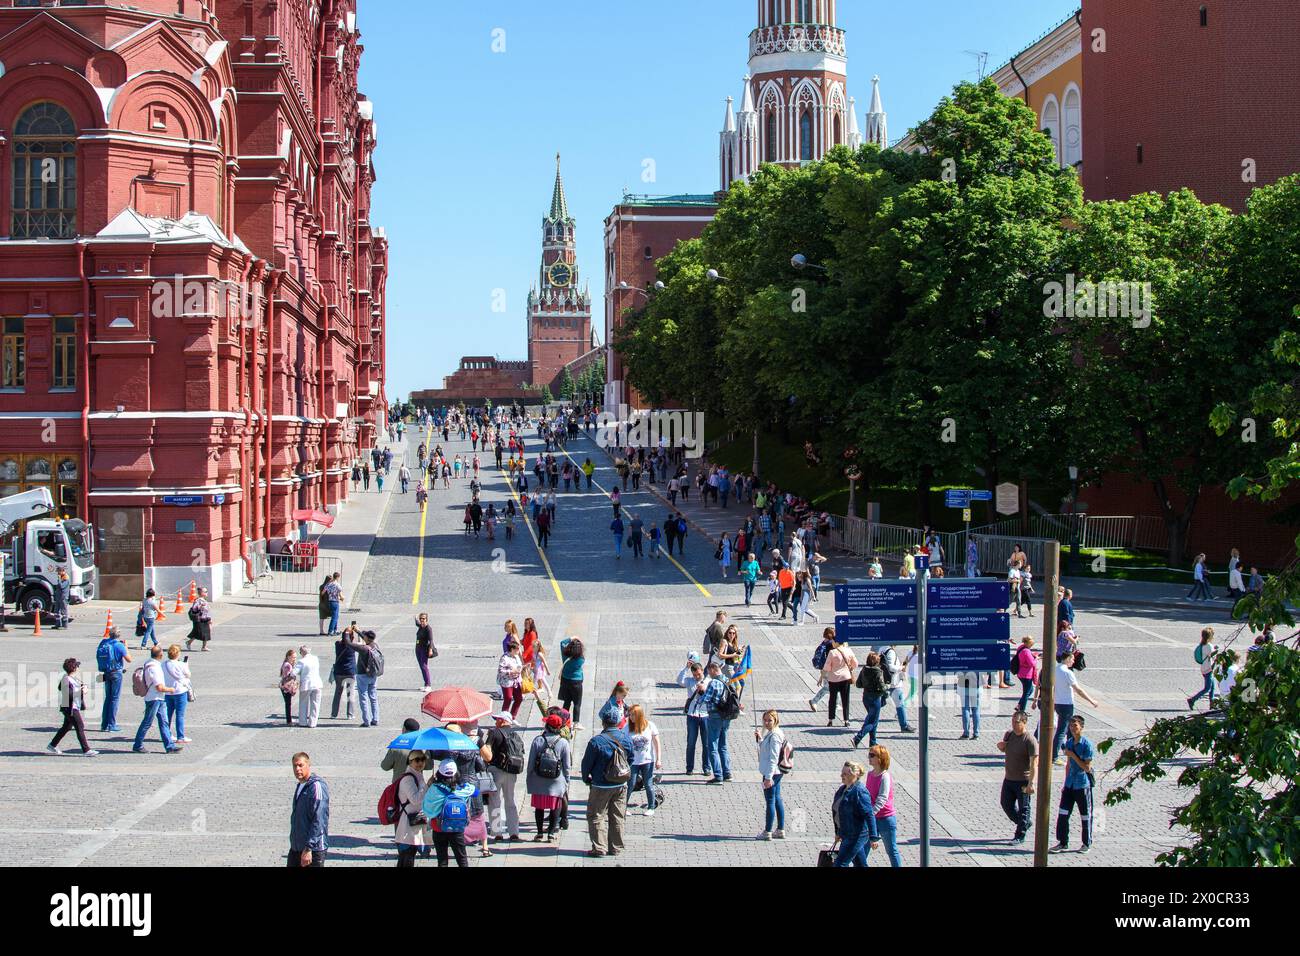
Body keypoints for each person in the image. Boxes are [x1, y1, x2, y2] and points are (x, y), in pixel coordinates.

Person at [581, 712, 633, 857]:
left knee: (596, 815)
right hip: (621, 784)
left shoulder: (596, 741)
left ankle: (599, 848)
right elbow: (631, 758)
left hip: (601, 785)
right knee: (617, 816)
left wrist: (586, 778)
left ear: (603, 723)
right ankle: (615, 847)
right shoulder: (626, 738)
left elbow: (586, 764)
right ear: (618, 723)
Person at [1051, 714, 1095, 854]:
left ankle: (1086, 843)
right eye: (1071, 726)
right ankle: (1063, 842)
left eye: (1075, 726)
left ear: (1081, 727)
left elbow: (1087, 767)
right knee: (1063, 813)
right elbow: (1068, 765)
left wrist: (1073, 755)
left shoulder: (1086, 744)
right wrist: (1065, 782)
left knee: (1085, 815)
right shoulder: (1069, 742)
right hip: (1070, 784)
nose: (1072, 728)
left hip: (1082, 784)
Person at [527, 713, 571, 841]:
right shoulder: (563, 742)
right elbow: (567, 765)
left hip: (539, 778)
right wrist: (566, 780)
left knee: (539, 807)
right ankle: (551, 833)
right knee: (555, 806)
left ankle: (539, 832)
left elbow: (531, 761)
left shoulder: (538, 740)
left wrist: (529, 776)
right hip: (556, 780)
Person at [481, 711, 524, 841]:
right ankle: (514, 831)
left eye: (498, 719)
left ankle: (497, 832)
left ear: (504, 720)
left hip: (496, 771)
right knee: (510, 800)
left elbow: (487, 753)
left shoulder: (495, 733)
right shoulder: (516, 734)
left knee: (495, 801)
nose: (496, 722)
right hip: (511, 771)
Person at [997, 710, 1038, 844]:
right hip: (1009, 778)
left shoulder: (1030, 740)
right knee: (1006, 804)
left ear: (1024, 722)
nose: (1014, 724)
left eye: (1017, 722)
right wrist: (1001, 746)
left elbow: (1034, 764)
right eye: (1013, 721)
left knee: (1024, 808)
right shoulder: (1009, 735)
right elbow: (1004, 748)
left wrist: (1031, 783)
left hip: (1023, 780)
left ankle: (1019, 835)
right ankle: (1024, 823)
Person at [1051, 651, 1098, 764]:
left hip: (1057, 703)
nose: (1073, 661)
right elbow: (1078, 690)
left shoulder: (1056, 669)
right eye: (1072, 659)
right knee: (1062, 730)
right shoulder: (1067, 672)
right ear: (1067, 659)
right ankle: (1054, 756)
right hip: (1066, 704)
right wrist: (1091, 700)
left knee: (1067, 730)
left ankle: (1069, 750)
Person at [133, 646, 182, 753]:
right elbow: (159, 687)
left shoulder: (148, 663)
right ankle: (137, 745)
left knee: (164, 722)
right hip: (154, 698)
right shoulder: (154, 667)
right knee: (147, 722)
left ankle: (170, 746)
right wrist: (171, 689)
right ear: (160, 655)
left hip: (158, 698)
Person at [47, 658, 98, 756]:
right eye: (77, 666)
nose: (78, 668)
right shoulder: (66, 679)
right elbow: (69, 694)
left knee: (66, 727)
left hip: (71, 706)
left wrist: (82, 687)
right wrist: (82, 691)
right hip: (70, 708)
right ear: (74, 668)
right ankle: (86, 750)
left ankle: (52, 745)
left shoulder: (69, 678)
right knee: (80, 726)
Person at [831, 761, 877, 867]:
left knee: (839, 864)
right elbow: (838, 813)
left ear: (854, 775)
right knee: (860, 864)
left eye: (845, 774)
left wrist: (873, 837)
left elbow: (869, 815)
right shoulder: (842, 790)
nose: (841, 776)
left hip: (856, 835)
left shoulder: (860, 792)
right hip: (846, 833)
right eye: (842, 773)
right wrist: (838, 832)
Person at [289, 752, 330, 866]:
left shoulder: (316, 786)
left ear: (308, 765)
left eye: (300, 765)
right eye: (294, 766)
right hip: (297, 847)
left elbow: (319, 819)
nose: (297, 769)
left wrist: (308, 848)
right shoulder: (300, 785)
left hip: (313, 849)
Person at [864, 745, 901, 866]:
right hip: (872, 818)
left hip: (885, 818)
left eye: (872, 755)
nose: (869, 757)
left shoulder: (885, 776)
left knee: (891, 850)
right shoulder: (870, 774)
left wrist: (871, 813)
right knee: (863, 849)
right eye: (869, 754)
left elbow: (882, 798)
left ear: (880, 758)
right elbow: (867, 795)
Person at [697, 661, 735, 783]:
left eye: (709, 671)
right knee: (723, 745)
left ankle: (718, 775)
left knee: (712, 746)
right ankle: (727, 773)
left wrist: (701, 691)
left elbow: (705, 699)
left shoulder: (714, 683)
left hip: (715, 716)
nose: (709, 674)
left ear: (713, 669)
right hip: (727, 716)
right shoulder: (727, 680)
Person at [393, 751, 430, 867]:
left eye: (423, 759)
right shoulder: (408, 779)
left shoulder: (418, 775)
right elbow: (415, 799)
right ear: (410, 761)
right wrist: (427, 785)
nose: (421, 763)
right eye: (417, 760)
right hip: (408, 824)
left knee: (408, 857)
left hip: (415, 821)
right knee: (407, 857)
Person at [755, 709, 786, 839]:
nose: (767, 723)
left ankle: (767, 831)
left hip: (771, 772)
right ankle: (780, 829)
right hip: (775, 772)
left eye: (770, 720)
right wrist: (761, 740)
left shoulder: (775, 736)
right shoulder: (773, 733)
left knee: (770, 801)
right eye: (765, 720)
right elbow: (767, 749)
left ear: (776, 720)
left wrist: (768, 778)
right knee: (777, 798)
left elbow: (773, 757)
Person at [626, 703, 662, 815]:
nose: (631, 717)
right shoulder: (627, 728)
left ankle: (651, 807)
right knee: (630, 784)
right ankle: (623, 806)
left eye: (633, 715)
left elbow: (657, 743)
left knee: (648, 783)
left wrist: (658, 759)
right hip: (633, 761)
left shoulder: (650, 725)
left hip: (647, 760)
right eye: (630, 715)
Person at [95, 626, 131, 732]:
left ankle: (104, 724)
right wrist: (126, 647)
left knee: (108, 698)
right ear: (118, 635)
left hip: (106, 671)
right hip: (116, 673)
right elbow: (129, 659)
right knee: (115, 699)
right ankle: (112, 724)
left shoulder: (103, 643)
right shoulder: (119, 645)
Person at [852, 651, 886, 748]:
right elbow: (882, 686)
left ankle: (872, 742)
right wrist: (886, 689)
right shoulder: (878, 672)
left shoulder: (864, 670)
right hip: (875, 698)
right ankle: (857, 738)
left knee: (873, 719)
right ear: (877, 662)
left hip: (866, 697)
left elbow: (858, 684)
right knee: (872, 722)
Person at [822, 636, 858, 728]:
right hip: (845, 677)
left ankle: (830, 720)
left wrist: (824, 675)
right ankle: (846, 720)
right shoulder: (848, 650)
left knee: (832, 699)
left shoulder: (832, 652)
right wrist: (849, 668)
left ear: (836, 642)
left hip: (833, 678)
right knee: (845, 699)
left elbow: (827, 667)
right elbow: (855, 663)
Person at [162, 644, 193, 743]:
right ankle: (180, 736)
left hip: (168, 691)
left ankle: (168, 734)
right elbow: (188, 675)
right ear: (178, 654)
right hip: (180, 691)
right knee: (180, 715)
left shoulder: (163, 664)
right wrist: (186, 665)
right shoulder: (181, 664)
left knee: (168, 714)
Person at [353, 630, 384, 727]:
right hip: (373, 675)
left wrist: (346, 634)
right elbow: (365, 637)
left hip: (363, 675)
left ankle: (366, 721)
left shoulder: (364, 649)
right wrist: (357, 630)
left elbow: (349, 644)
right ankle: (375, 719)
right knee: (373, 698)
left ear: (367, 638)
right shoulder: (375, 645)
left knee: (363, 698)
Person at [1187, 626, 1219, 710]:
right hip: (1208, 669)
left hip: (1204, 668)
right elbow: (1213, 656)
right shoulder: (1209, 646)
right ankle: (1192, 699)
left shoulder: (1202, 645)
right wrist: (1217, 650)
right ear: (1210, 636)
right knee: (1207, 688)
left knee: (1212, 687)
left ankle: (1211, 704)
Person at [558, 636, 585, 729]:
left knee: (567, 701)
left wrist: (572, 637)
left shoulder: (565, 655)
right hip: (576, 682)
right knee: (577, 703)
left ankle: (563, 720)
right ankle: (576, 722)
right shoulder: (581, 659)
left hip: (565, 680)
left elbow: (562, 643)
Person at [331, 627, 357, 720]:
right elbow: (361, 643)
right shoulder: (353, 646)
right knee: (350, 693)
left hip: (339, 672)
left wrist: (346, 632)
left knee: (337, 693)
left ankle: (334, 714)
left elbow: (340, 640)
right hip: (350, 672)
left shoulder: (337, 644)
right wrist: (355, 632)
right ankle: (350, 714)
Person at [497, 639, 524, 722]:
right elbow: (500, 671)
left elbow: (519, 667)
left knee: (519, 698)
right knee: (508, 698)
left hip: (516, 681)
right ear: (512, 649)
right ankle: (503, 719)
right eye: (517, 649)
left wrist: (525, 667)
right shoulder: (505, 658)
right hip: (507, 682)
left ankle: (512, 717)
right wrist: (510, 672)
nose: (519, 651)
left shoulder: (516, 657)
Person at [296, 644, 323, 728]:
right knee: (315, 704)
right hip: (317, 684)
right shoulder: (315, 659)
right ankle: (313, 723)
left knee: (303, 703)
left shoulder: (302, 661)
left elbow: (294, 672)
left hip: (306, 685)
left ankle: (303, 722)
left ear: (302, 652)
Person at [184, 586, 212, 651]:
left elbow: (207, 611)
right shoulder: (198, 600)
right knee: (198, 632)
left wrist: (210, 619)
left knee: (207, 632)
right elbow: (194, 608)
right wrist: (200, 607)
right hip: (199, 619)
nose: (207, 593)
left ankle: (204, 647)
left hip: (205, 619)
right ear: (201, 593)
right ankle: (189, 642)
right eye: (205, 591)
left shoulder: (204, 600)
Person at [414, 612, 436, 692]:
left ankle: (428, 685)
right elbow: (417, 623)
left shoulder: (428, 629)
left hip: (424, 649)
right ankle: (425, 684)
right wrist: (415, 617)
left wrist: (430, 650)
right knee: (421, 666)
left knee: (424, 666)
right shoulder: (420, 626)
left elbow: (431, 640)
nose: (422, 620)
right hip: (418, 649)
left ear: (427, 619)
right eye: (421, 619)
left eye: (423, 618)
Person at [958, 669, 982, 740]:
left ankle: (966, 733)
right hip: (976, 683)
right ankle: (976, 734)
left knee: (965, 709)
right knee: (976, 710)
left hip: (963, 682)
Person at [279, 649, 298, 726]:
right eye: (293, 657)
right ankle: (289, 721)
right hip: (287, 686)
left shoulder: (286, 664)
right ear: (288, 656)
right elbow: (287, 676)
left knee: (288, 703)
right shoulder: (288, 665)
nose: (294, 659)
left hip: (285, 686)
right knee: (288, 704)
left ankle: (289, 719)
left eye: (295, 657)